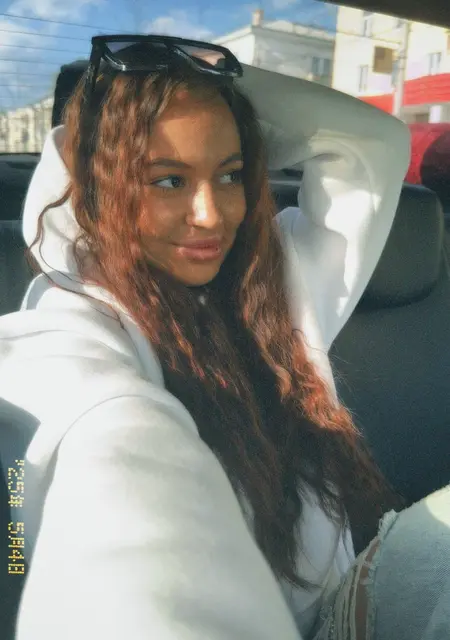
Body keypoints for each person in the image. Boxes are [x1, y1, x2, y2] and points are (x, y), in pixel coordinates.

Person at [0, 35, 448, 640]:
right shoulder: (71, 328)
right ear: (100, 186)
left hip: (343, 604)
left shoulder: (274, 280)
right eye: (168, 181)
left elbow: (373, 142)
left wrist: (212, 82)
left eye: (231, 174)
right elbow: (111, 456)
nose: (211, 215)